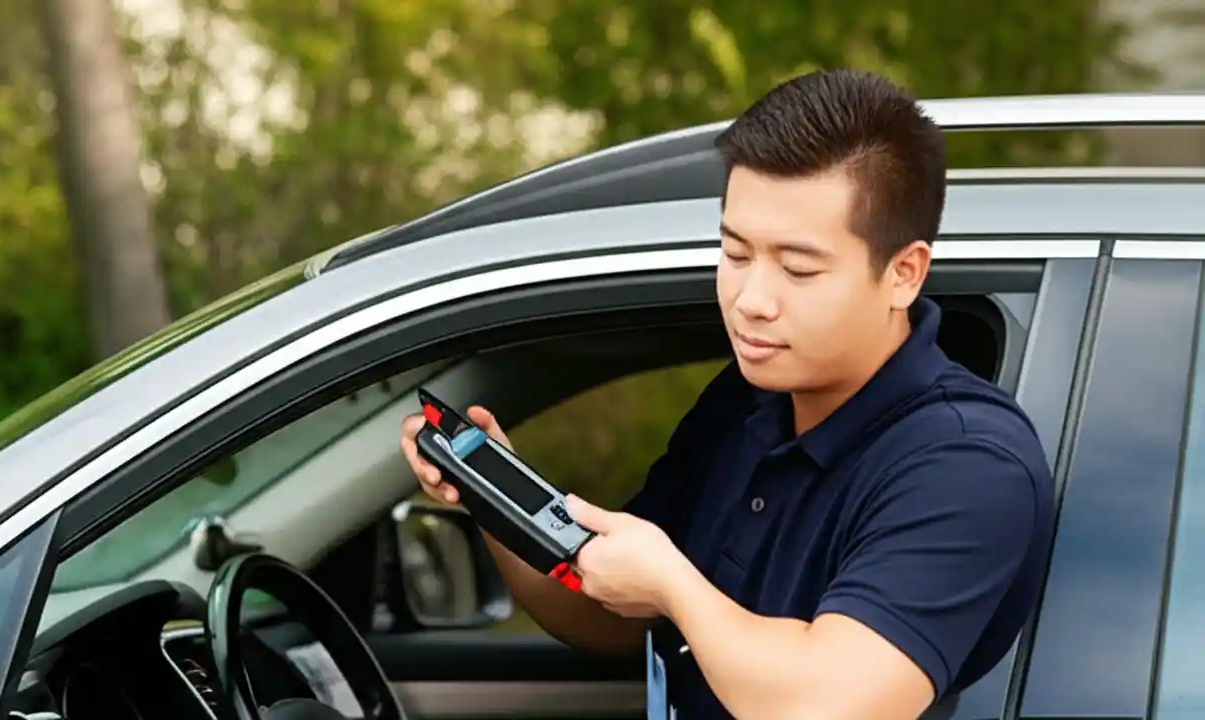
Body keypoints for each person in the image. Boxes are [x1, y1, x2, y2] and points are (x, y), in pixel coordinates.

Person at [399, 68, 1054, 720]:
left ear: (903, 274)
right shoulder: (746, 402)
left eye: (798, 269)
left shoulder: (966, 464)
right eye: (736, 254)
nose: (751, 301)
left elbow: (831, 707)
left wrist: (674, 585)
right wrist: (493, 498)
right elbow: (611, 614)